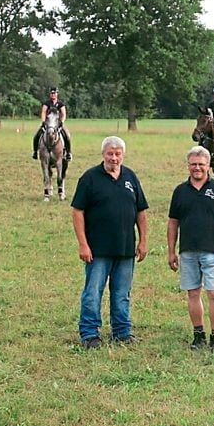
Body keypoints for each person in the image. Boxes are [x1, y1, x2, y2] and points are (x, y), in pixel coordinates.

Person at [71, 136, 149, 348]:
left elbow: (141, 211)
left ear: (123, 155)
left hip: (125, 248)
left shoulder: (130, 177)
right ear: (103, 154)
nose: (114, 158)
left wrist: (143, 241)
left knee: (122, 293)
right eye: (110, 154)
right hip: (97, 249)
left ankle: (122, 331)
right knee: (93, 293)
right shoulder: (90, 178)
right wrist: (83, 244)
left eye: (117, 154)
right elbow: (78, 211)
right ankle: (89, 333)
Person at [167, 146, 214, 352]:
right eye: (193, 164)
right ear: (188, 166)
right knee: (193, 293)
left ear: (208, 165)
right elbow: (173, 222)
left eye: (201, 164)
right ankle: (198, 335)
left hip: (213, 251)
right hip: (188, 250)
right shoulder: (180, 191)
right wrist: (171, 251)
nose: (197, 168)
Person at [32, 86, 72, 161]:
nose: (53, 95)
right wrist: (43, 122)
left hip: (58, 124)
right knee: (36, 135)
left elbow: (63, 114)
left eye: (54, 93)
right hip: (48, 124)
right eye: (52, 93)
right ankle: (35, 152)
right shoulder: (47, 103)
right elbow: (43, 112)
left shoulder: (60, 104)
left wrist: (62, 122)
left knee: (67, 136)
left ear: (57, 94)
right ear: (50, 94)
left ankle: (68, 153)